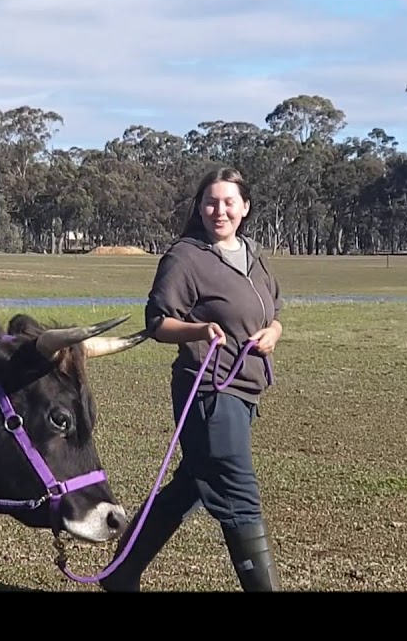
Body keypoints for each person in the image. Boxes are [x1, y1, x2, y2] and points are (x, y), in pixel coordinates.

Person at [100, 166, 283, 592]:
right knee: (239, 494)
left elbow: (274, 312)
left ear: (245, 207)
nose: (219, 210)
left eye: (228, 202)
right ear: (200, 208)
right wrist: (200, 330)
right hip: (209, 392)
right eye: (211, 202)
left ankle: (121, 573)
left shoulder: (255, 255)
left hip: (245, 390)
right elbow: (158, 322)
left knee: (193, 486)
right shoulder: (185, 257)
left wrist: (272, 333)